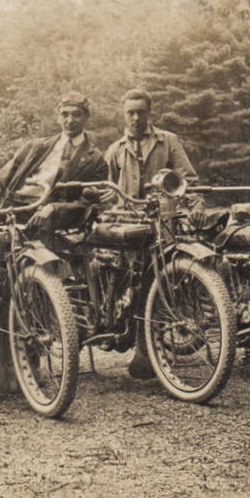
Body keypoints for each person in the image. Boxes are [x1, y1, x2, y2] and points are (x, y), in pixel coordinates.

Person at [104, 88, 207, 379]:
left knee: (159, 284)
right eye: (130, 113)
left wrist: (197, 202)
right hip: (128, 228)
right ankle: (132, 340)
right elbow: (104, 192)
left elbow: (189, 180)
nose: (136, 118)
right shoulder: (115, 150)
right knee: (130, 285)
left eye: (141, 112)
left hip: (163, 226)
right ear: (123, 114)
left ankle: (149, 350)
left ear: (150, 113)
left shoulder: (168, 141)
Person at [0, 91, 107, 229]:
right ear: (58, 117)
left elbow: (87, 204)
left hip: (48, 220)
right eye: (64, 114)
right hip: (11, 211)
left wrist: (54, 208)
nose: (70, 120)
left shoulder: (96, 159)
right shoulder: (34, 147)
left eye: (76, 114)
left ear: (86, 116)